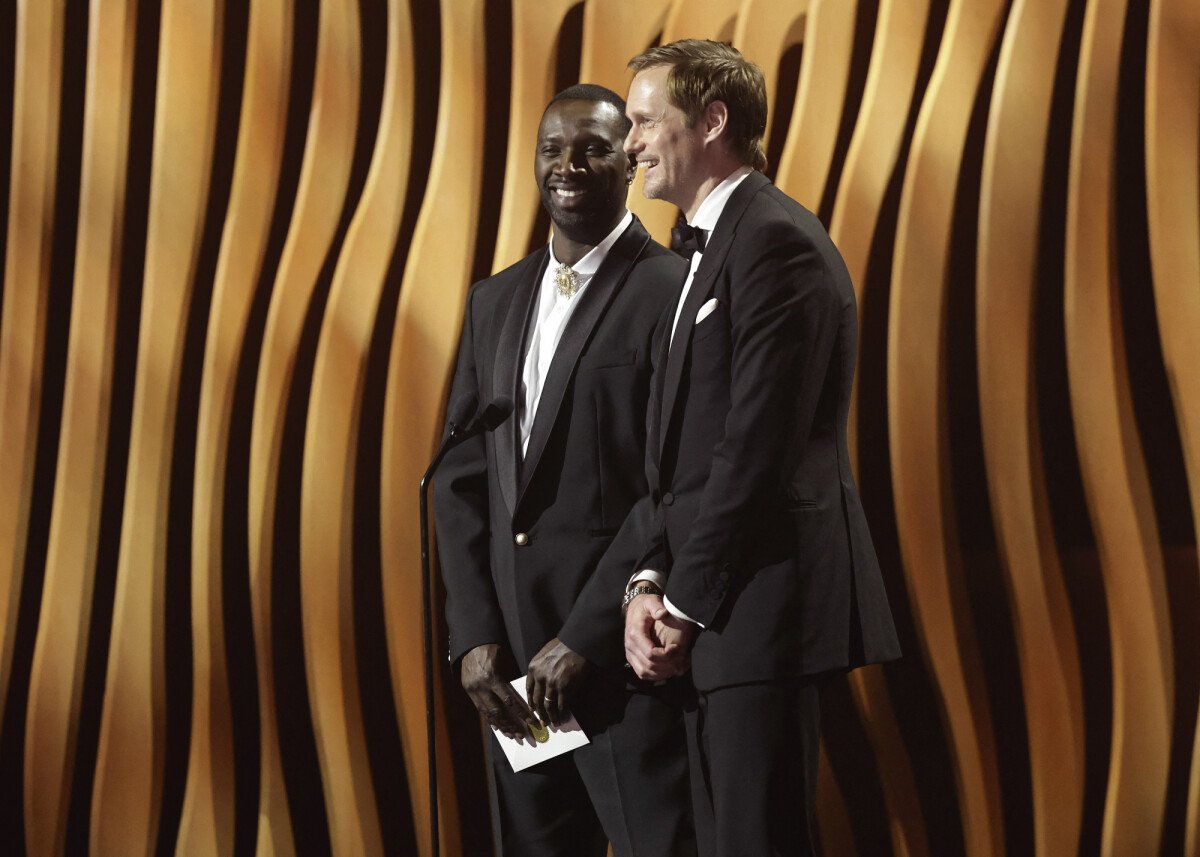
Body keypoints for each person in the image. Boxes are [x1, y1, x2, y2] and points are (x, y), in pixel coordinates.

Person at [577, 40, 902, 856]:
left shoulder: (774, 242)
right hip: (715, 617)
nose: (630, 142)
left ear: (713, 121)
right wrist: (648, 581)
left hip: (760, 611)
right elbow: (679, 464)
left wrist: (682, 606)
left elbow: (756, 452)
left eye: (646, 121)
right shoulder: (701, 246)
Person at [433, 84, 694, 857]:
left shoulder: (672, 292)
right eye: (552, 149)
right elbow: (459, 480)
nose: (568, 165)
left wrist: (585, 635)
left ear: (629, 161)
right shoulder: (492, 301)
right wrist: (475, 635)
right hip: (515, 681)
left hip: (625, 672)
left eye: (592, 148)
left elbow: (672, 485)